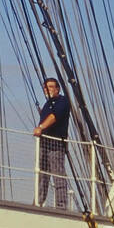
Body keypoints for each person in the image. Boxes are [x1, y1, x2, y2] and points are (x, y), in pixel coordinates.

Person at [34, 77, 70, 208]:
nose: (47, 89)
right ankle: (38, 201)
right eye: (45, 87)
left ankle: (61, 205)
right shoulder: (47, 104)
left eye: (50, 87)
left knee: (58, 174)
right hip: (44, 143)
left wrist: (41, 127)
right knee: (42, 174)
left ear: (57, 89)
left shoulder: (62, 101)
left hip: (56, 145)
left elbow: (54, 116)